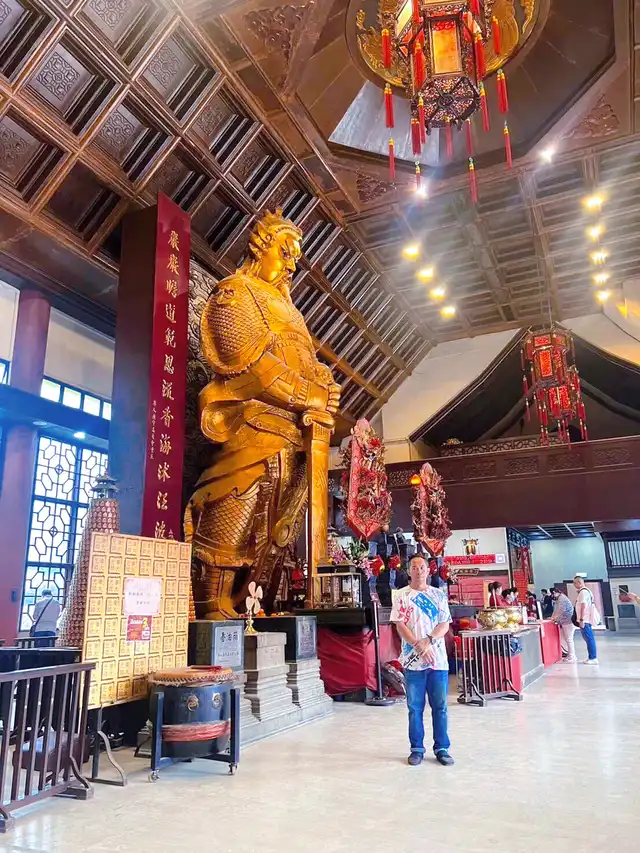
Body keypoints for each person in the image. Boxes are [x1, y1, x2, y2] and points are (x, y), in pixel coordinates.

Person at [390, 554, 454, 768]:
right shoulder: (401, 595)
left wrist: (428, 641)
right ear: (409, 571)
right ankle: (416, 748)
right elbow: (400, 624)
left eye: (422, 567)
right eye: (414, 567)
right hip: (413, 662)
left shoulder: (438, 595)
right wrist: (418, 645)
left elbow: (444, 624)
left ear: (428, 570)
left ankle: (442, 748)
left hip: (437, 661)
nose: (418, 571)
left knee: (440, 706)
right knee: (414, 707)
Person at [573, 576, 599, 665]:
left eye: (575, 583)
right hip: (586, 619)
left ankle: (593, 657)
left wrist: (581, 619)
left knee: (589, 638)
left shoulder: (583, 592)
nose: (574, 585)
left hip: (585, 619)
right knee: (588, 638)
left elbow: (583, 606)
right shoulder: (587, 591)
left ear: (579, 583)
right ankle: (591, 656)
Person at [551, 587, 576, 663]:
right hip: (566, 622)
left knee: (569, 639)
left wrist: (554, 618)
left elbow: (560, 610)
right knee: (567, 639)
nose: (553, 596)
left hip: (568, 622)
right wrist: (553, 617)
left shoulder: (562, 599)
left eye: (552, 594)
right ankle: (569, 654)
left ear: (555, 592)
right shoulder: (560, 598)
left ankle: (572, 656)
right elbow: (556, 610)